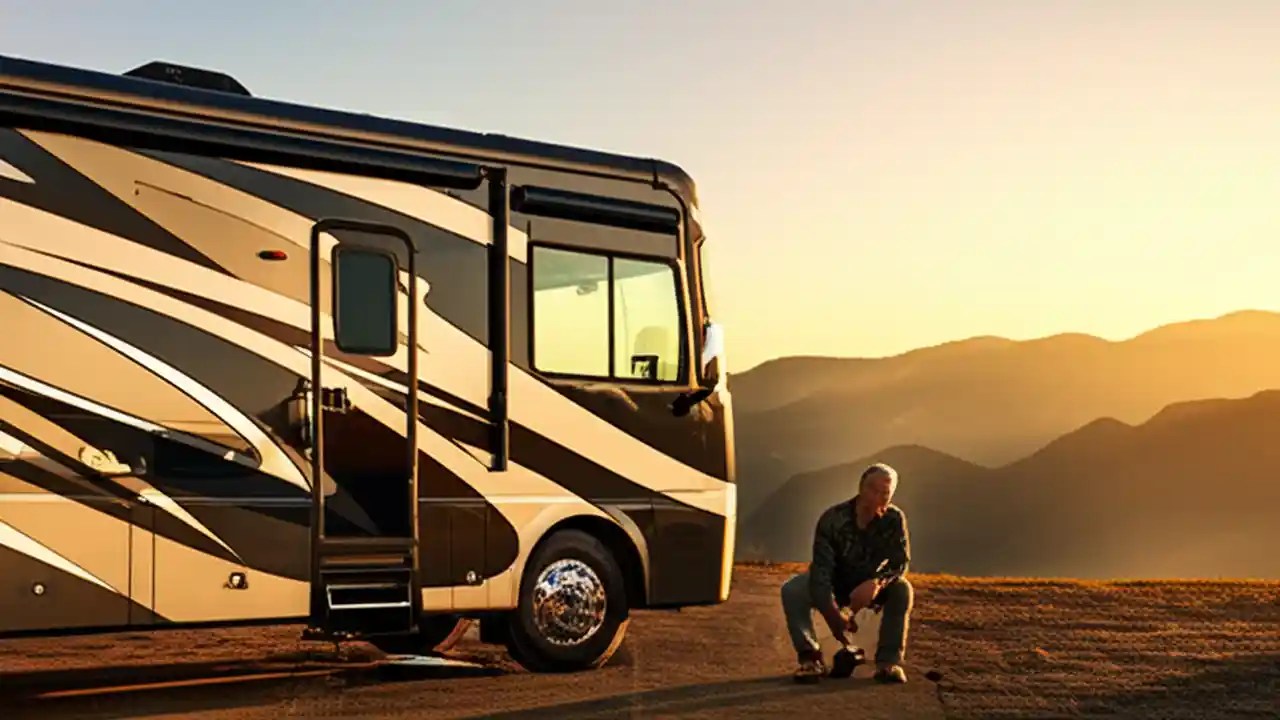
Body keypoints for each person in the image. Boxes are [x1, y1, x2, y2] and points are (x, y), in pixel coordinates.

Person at [780, 462, 913, 684]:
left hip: (868, 584)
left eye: (885, 493)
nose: (877, 497)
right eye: (872, 489)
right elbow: (821, 573)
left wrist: (877, 584)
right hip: (834, 582)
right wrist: (835, 619)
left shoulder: (894, 519)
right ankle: (810, 659)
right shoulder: (833, 519)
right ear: (861, 487)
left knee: (902, 590)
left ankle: (888, 663)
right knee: (792, 590)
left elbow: (900, 562)